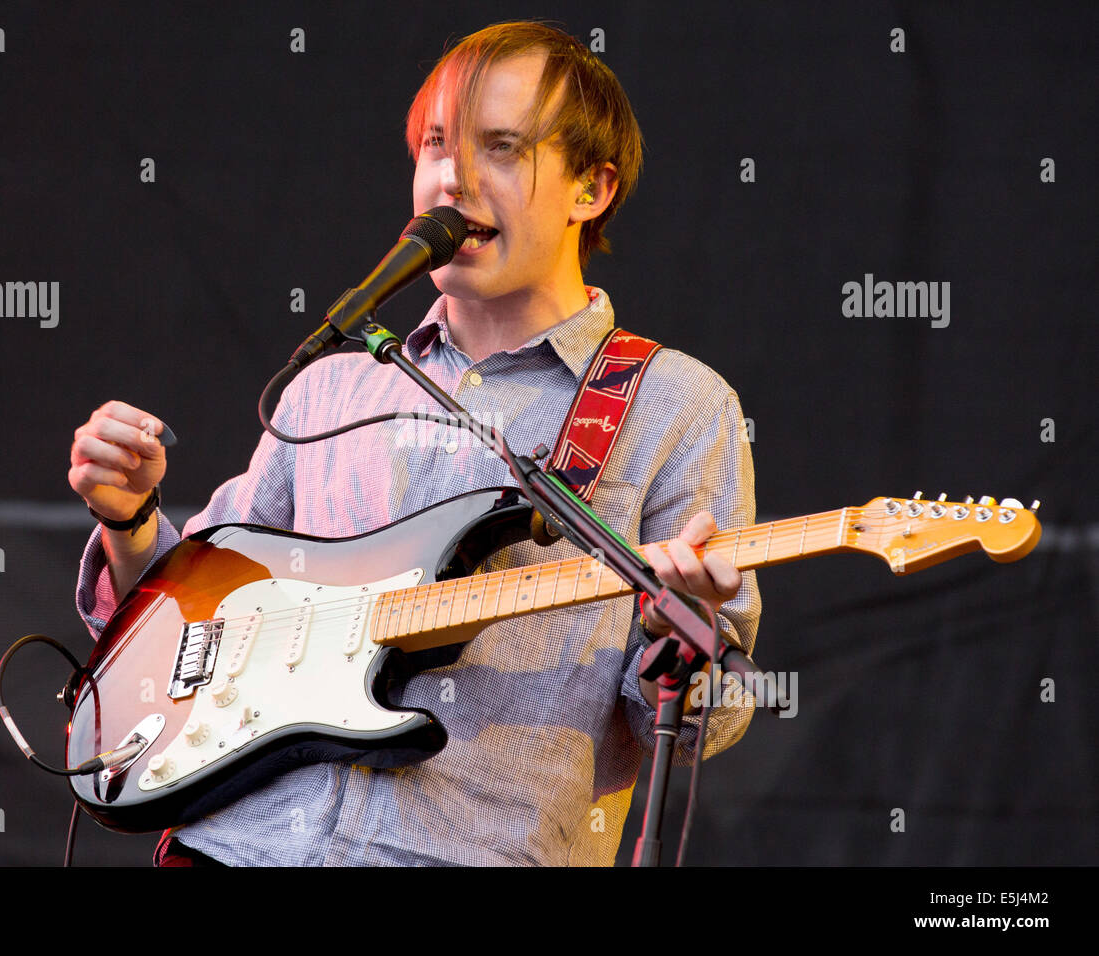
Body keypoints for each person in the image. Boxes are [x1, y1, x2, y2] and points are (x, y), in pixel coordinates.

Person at [69, 21, 760, 866]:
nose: (453, 179)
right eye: (437, 145)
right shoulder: (335, 381)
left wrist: (680, 638)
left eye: (500, 148)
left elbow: (703, 723)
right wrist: (131, 520)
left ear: (591, 186)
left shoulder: (675, 406)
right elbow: (193, 611)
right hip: (236, 846)